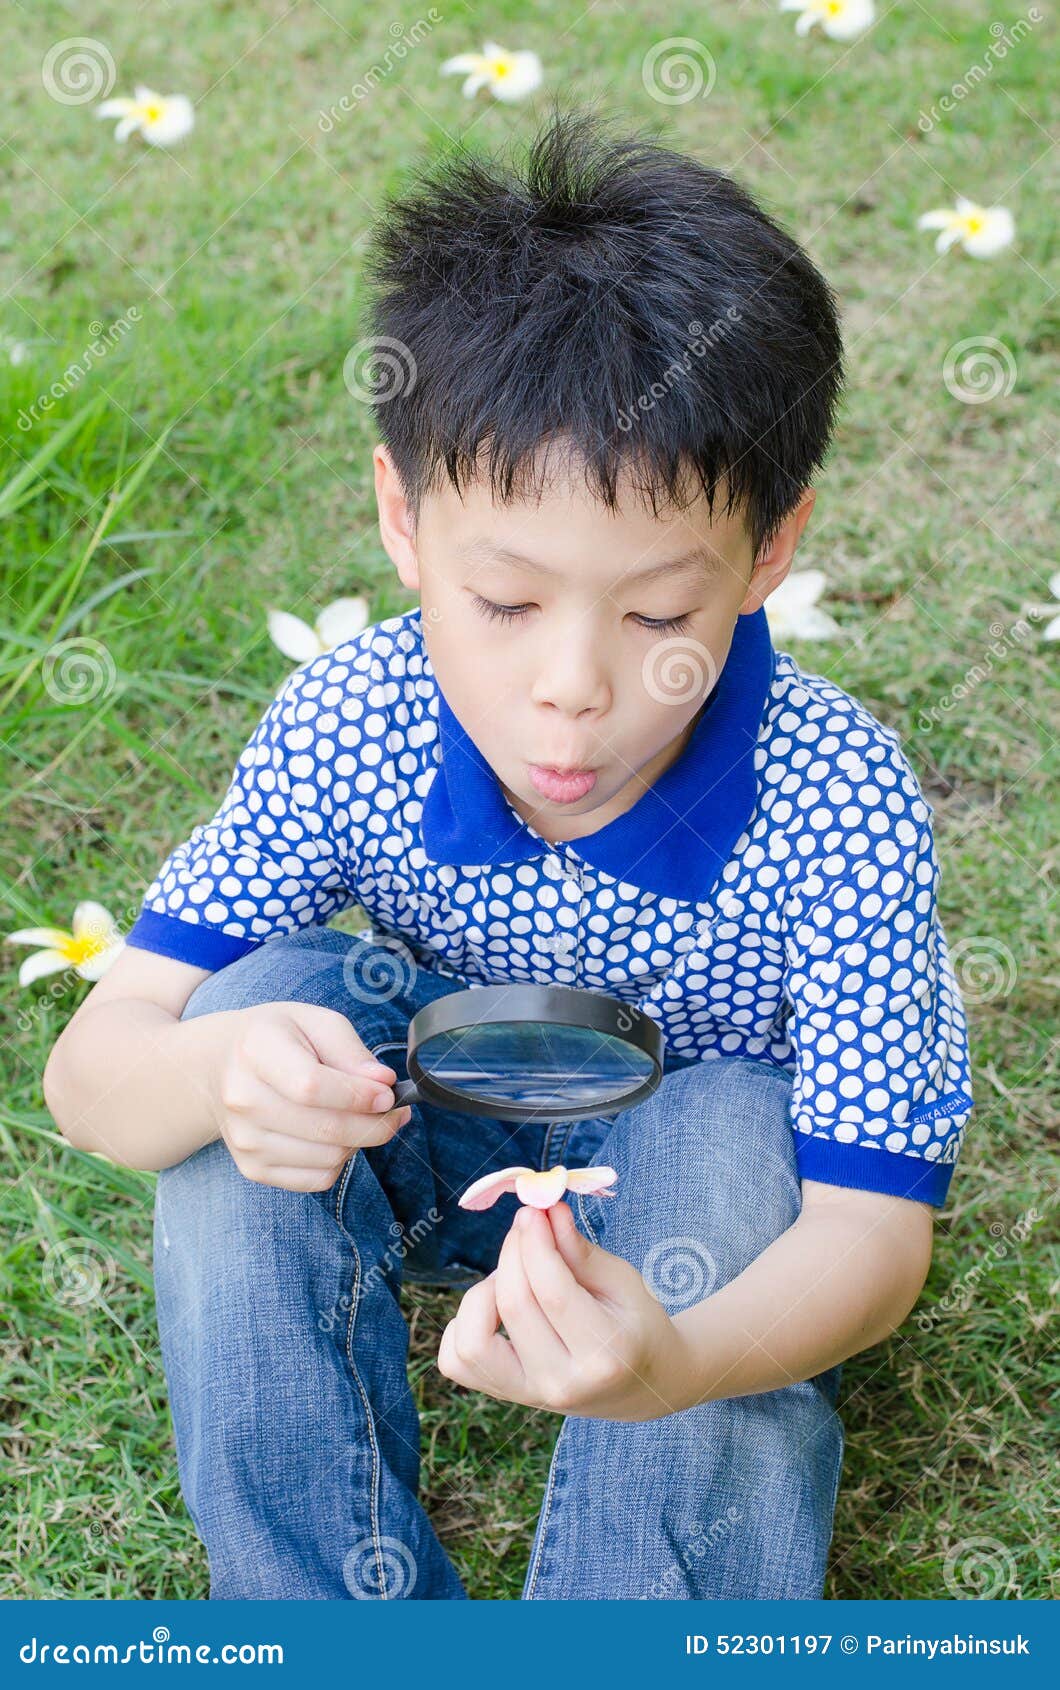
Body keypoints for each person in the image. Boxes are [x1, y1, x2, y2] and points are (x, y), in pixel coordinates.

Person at [42, 111, 973, 1601]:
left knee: (735, 1117)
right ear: (403, 521)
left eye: (662, 616)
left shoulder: (838, 801)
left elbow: (872, 1236)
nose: (573, 687)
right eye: (506, 601)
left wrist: (681, 1359)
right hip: (433, 1134)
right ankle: (324, 1620)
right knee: (247, 1012)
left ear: (771, 547)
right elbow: (95, 1072)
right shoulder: (357, 719)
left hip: (706, 1202)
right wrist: (221, 1076)